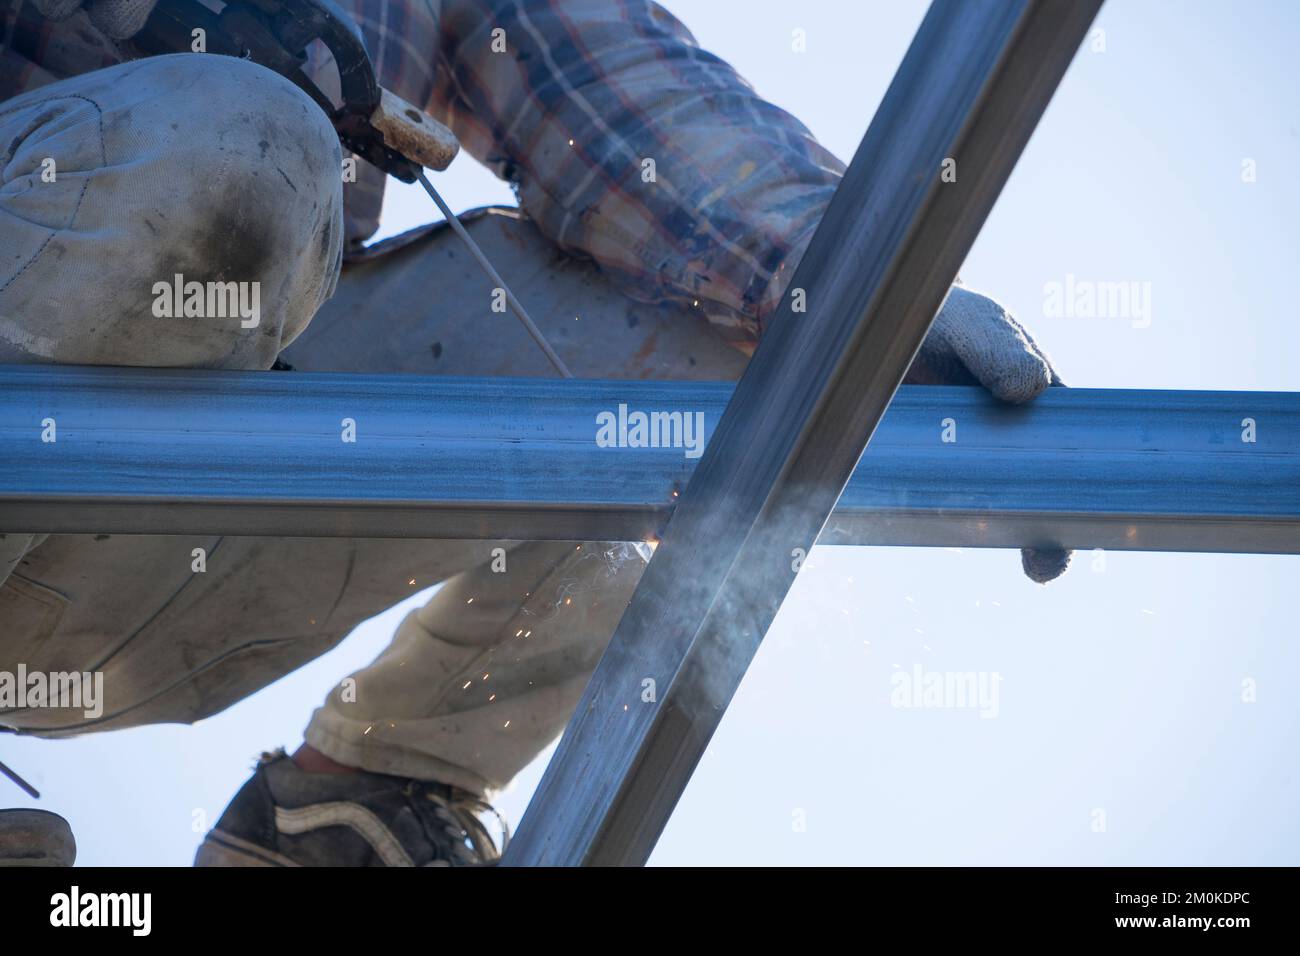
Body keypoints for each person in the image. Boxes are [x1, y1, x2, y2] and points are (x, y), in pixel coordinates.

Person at [0, 0, 1069, 866]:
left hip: (146, 540)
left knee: (718, 366)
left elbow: (620, 97)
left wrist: (859, 288)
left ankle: (352, 810)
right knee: (231, 138)